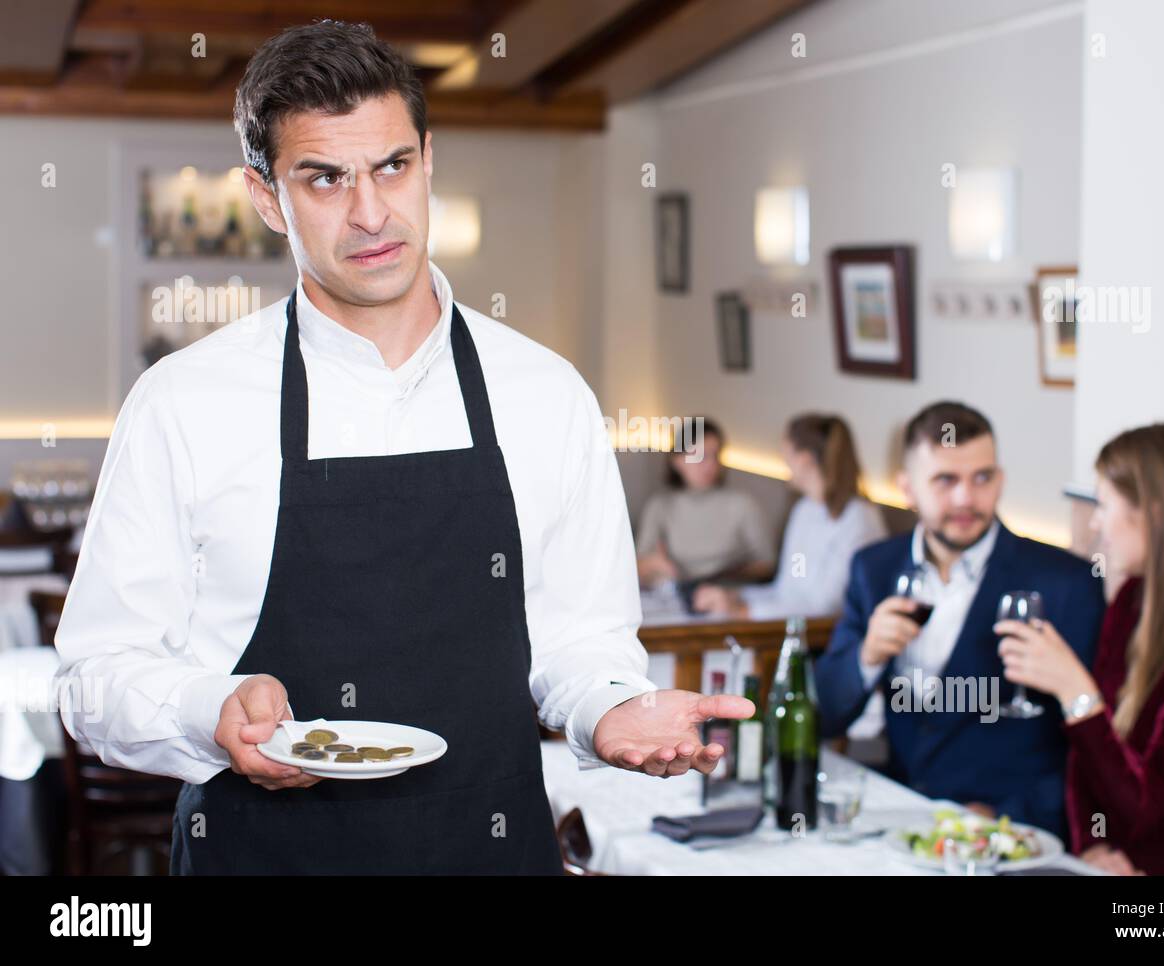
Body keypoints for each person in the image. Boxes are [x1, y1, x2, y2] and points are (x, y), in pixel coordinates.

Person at [53, 21, 752, 876]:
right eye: (324, 178)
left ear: (428, 160)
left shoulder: (547, 394)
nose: (371, 213)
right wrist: (211, 709)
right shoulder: (183, 404)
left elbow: (580, 643)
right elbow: (95, 679)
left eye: (391, 166)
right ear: (267, 197)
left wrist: (609, 712)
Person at [814, 401, 1105, 837]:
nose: (966, 498)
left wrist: (1007, 819)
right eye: (946, 480)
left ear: (1000, 481)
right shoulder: (873, 569)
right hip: (902, 819)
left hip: (1012, 833)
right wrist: (867, 655)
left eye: (982, 478)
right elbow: (827, 712)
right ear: (907, 488)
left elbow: (1090, 748)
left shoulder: (1067, 582)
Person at [996, 424, 1164, 875]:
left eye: (1104, 506)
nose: (1094, 524)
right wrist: (1093, 849)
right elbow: (1087, 767)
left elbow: (1148, 804)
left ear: (1156, 514)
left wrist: (1077, 695)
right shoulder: (1131, 602)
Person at [692, 413, 887, 619]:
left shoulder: (858, 521)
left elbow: (825, 608)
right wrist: (735, 597)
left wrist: (743, 611)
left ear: (804, 460)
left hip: (823, 638)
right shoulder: (805, 511)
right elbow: (789, 589)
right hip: (790, 626)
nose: (783, 463)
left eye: (786, 455)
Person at [635, 418, 776, 587]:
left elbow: (767, 564)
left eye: (715, 456)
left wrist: (730, 577)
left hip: (730, 594)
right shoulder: (660, 506)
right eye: (701, 456)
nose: (711, 465)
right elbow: (638, 565)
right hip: (677, 595)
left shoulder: (742, 505)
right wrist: (656, 565)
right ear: (677, 460)